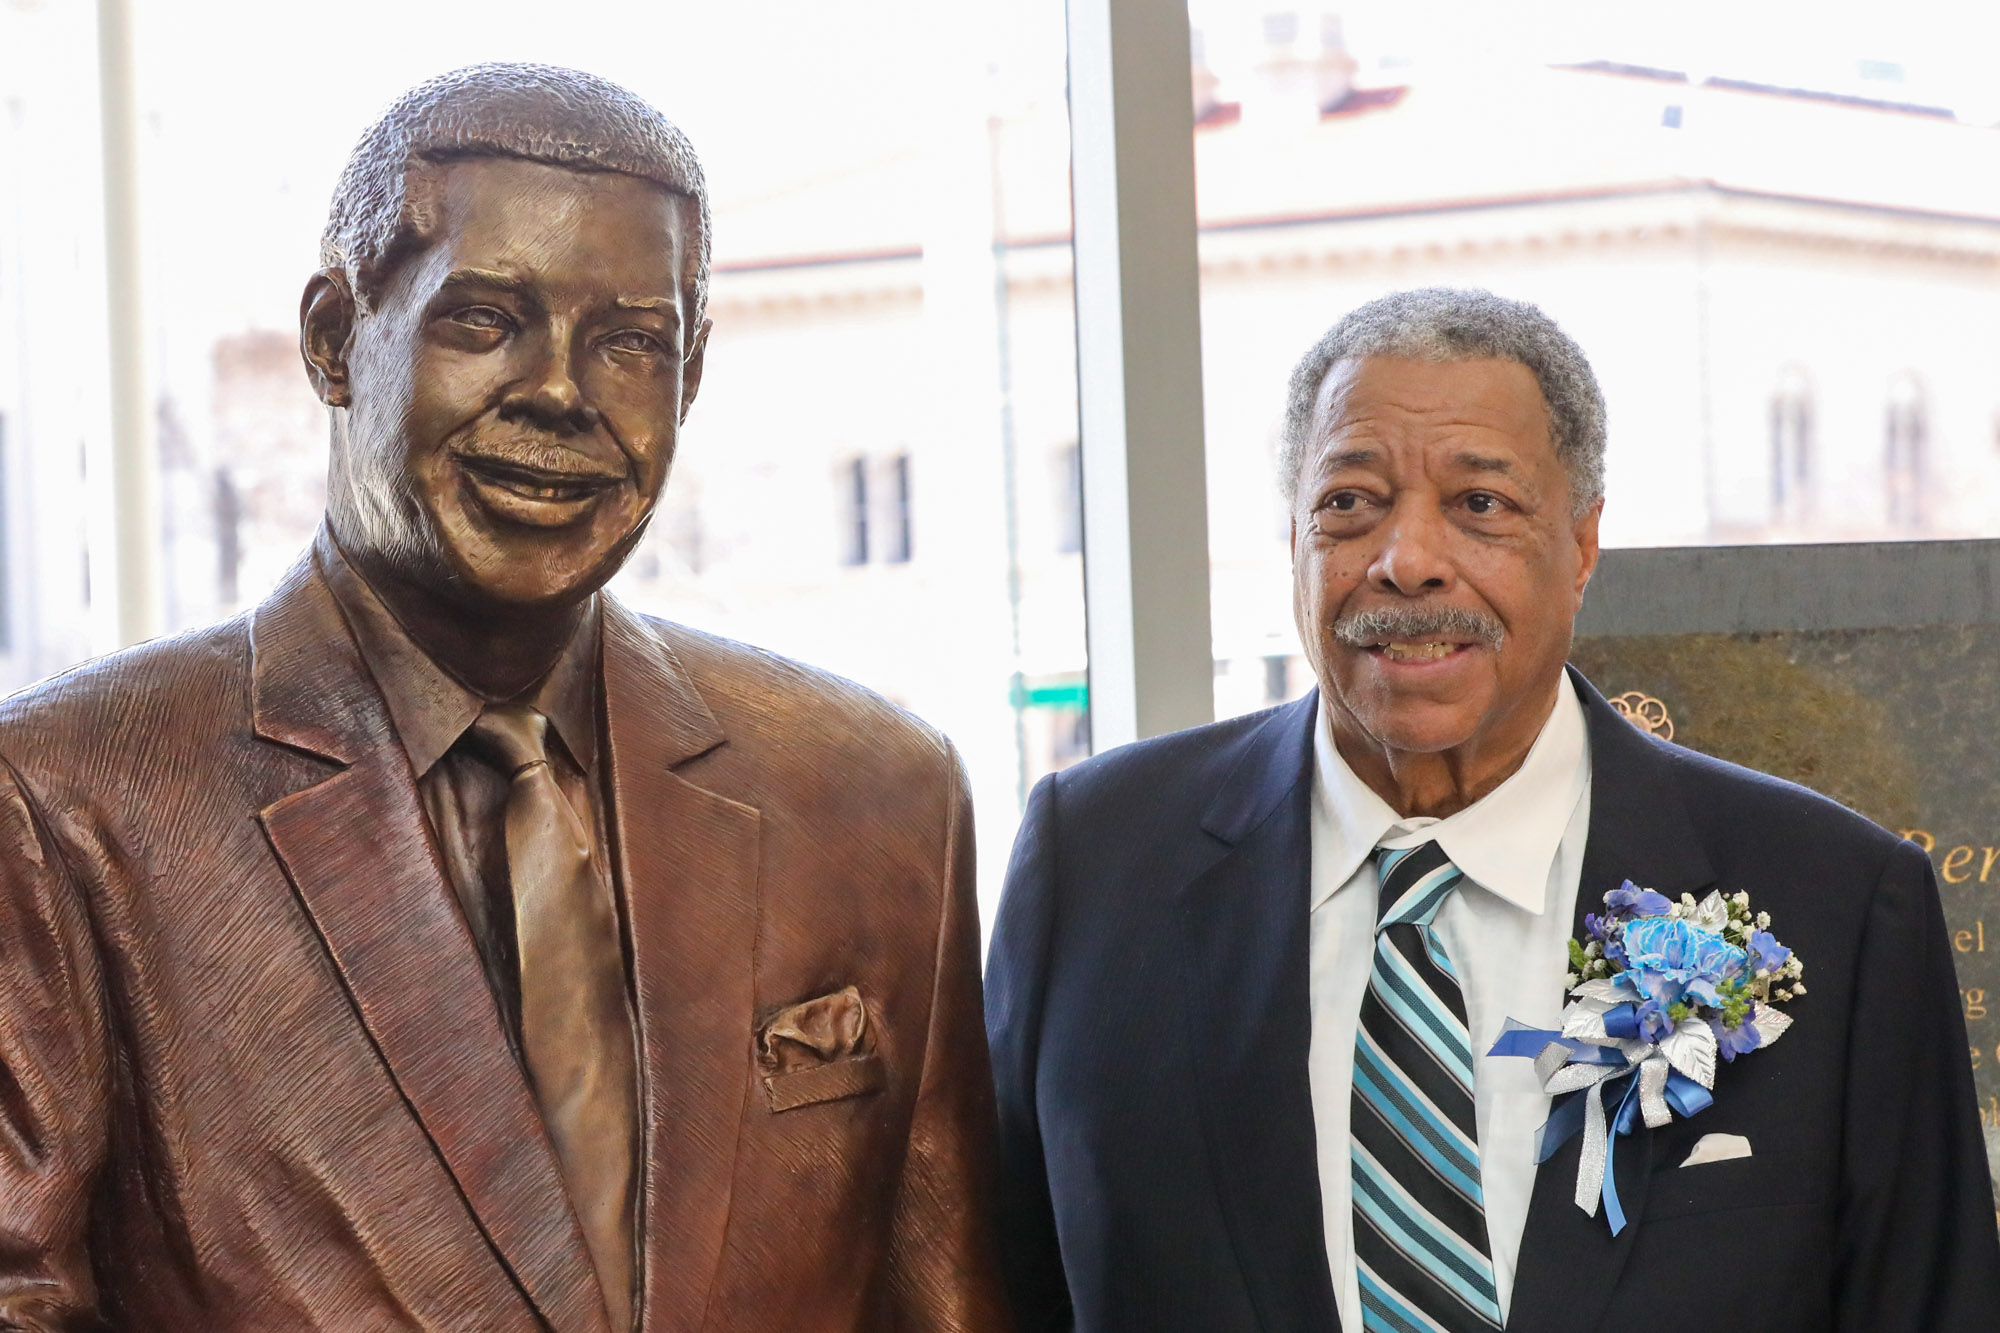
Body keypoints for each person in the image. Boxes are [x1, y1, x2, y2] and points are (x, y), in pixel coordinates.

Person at [0, 63, 1006, 1331]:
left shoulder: (872, 793)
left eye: (631, 342)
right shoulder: (67, 804)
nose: (560, 392)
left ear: (691, 375)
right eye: (484, 320)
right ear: (333, 338)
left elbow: (948, 1295)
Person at [986, 287, 2000, 1332]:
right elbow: (998, 1285)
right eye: (1349, 502)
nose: (1407, 560)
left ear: (1582, 544)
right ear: (1291, 536)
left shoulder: (1836, 901)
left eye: (1479, 504)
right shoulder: (1096, 867)